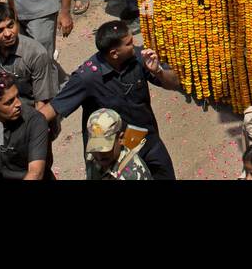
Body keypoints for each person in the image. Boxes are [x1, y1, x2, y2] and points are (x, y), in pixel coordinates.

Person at [45, 20, 182, 179]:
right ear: (114, 53)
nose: (135, 45)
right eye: (129, 43)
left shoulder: (138, 58)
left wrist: (158, 71)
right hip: (112, 158)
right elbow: (51, 110)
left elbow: (174, 83)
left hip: (148, 143)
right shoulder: (87, 77)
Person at [0, 2, 57, 106]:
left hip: (31, 114)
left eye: (10, 26)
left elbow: (42, 102)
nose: (7, 34)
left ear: (16, 22)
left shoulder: (36, 54)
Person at [83, 107, 153, 180]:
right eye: (95, 147)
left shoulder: (133, 175)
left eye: (105, 148)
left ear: (120, 139)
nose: (99, 155)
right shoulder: (91, 155)